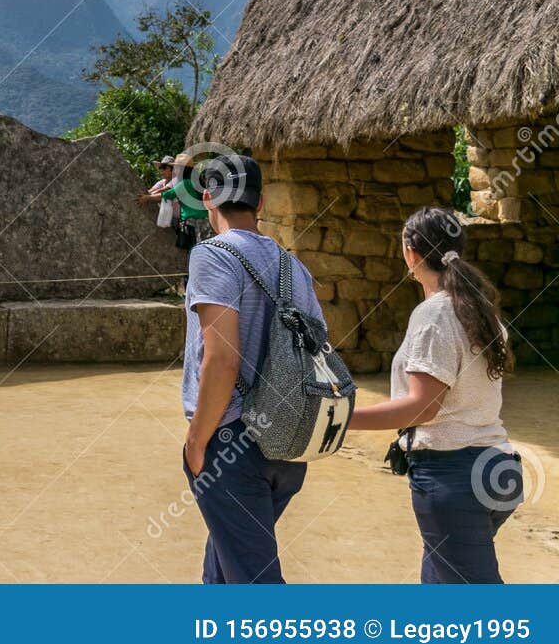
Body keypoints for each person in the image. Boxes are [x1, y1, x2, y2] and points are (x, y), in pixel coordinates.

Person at [348, 207, 522, 582]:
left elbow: (422, 407)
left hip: (453, 476)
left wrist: (341, 419)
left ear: (411, 254)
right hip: (498, 467)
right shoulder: (479, 309)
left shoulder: (434, 315)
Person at [181, 154, 326, 584]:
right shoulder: (295, 269)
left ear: (208, 198)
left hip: (232, 445)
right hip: (286, 447)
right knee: (224, 573)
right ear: (260, 202)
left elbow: (222, 358)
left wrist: (197, 441)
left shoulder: (213, 255)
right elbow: (318, 351)